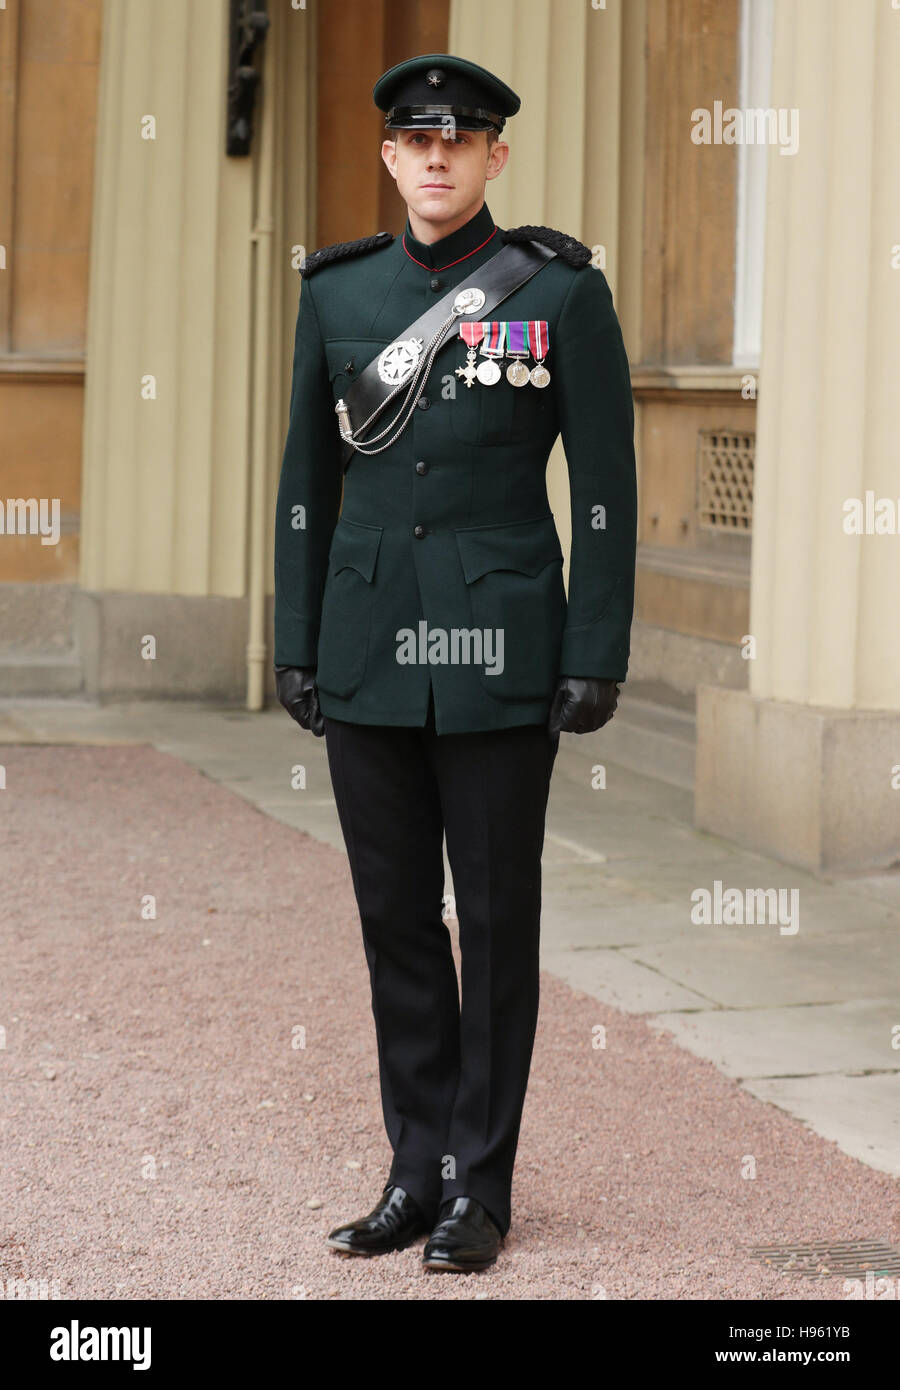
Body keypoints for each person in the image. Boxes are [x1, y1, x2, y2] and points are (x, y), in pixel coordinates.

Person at [273, 53, 637, 1273]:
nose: (437, 157)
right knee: (395, 923)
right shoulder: (338, 293)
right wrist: (295, 639)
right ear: (390, 157)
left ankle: (480, 1186)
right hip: (368, 647)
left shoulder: (561, 293)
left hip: (501, 655)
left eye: (460, 139)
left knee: (494, 919)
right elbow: (305, 486)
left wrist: (595, 649)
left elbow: (605, 489)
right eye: (417, 140)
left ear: (494, 156)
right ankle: (413, 1171)